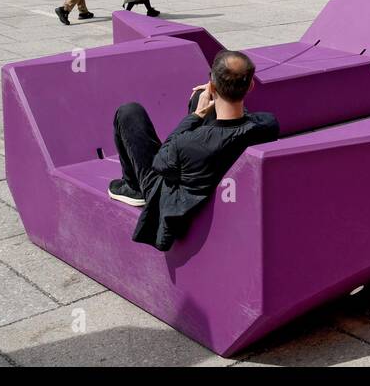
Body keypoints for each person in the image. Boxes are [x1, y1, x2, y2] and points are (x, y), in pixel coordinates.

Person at [109, 50, 280, 251]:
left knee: (129, 112)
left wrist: (196, 116)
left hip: (174, 192)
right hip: (212, 166)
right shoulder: (267, 124)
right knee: (200, 96)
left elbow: (161, 162)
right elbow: (241, 117)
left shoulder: (189, 144)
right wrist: (212, 94)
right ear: (250, 86)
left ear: (213, 85)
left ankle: (132, 186)